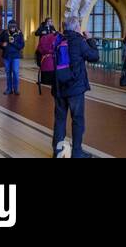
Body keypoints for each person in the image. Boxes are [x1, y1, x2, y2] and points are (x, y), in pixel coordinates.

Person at [50, 16, 100, 158]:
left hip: (59, 87)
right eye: (78, 24)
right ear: (76, 26)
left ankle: (58, 152)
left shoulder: (58, 39)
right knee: (77, 119)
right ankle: (76, 152)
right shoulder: (79, 42)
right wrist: (90, 39)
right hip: (75, 88)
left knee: (60, 120)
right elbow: (94, 56)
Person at [0, 21, 24, 95]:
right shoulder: (4, 33)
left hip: (15, 56)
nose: (12, 28)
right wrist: (2, 44)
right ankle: (9, 89)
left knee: (15, 72)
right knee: (8, 73)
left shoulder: (19, 33)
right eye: (11, 27)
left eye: (14, 27)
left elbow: (21, 45)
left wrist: (13, 42)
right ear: (9, 26)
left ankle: (16, 89)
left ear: (16, 27)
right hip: (6, 56)